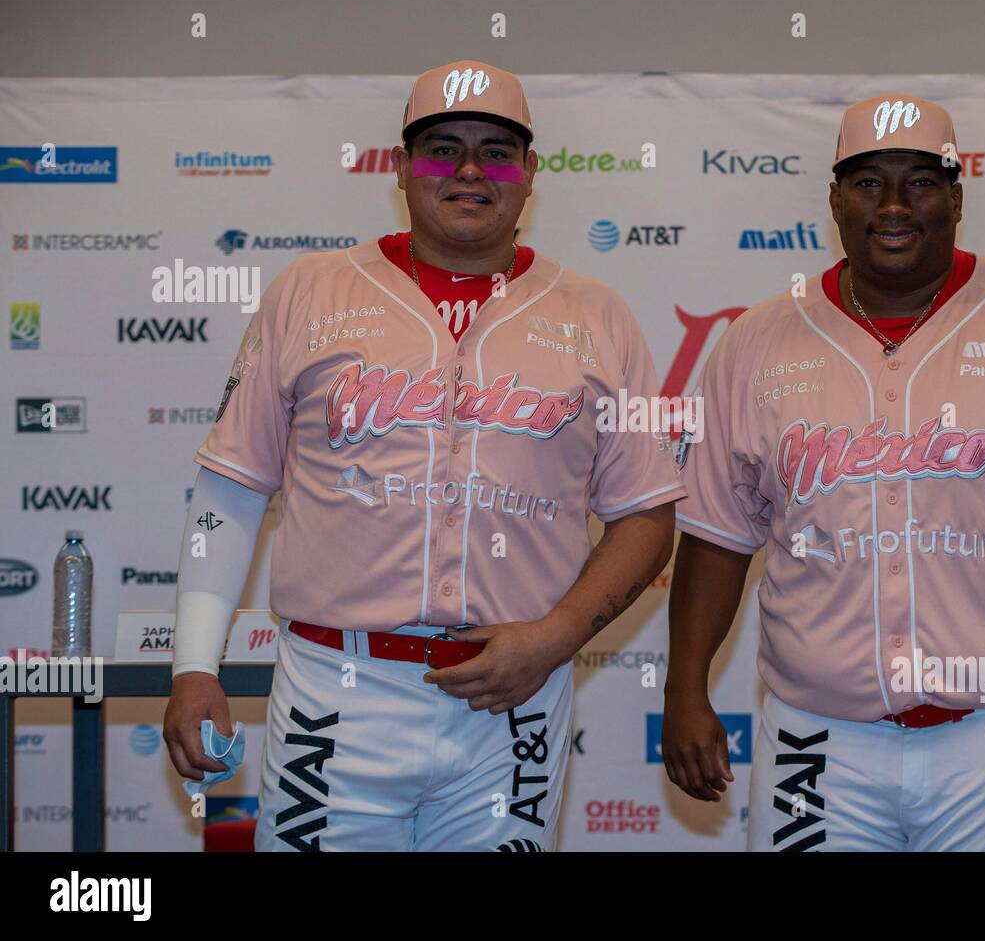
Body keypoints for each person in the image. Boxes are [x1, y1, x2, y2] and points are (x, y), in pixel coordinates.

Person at [163, 60, 685, 851]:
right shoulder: (310, 290)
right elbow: (229, 488)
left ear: (531, 174)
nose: (471, 170)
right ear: (402, 168)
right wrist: (194, 665)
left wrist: (558, 636)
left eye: (497, 151)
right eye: (443, 148)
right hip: (338, 691)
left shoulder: (597, 315)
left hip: (515, 696)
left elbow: (646, 512)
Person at [664, 94, 985, 852]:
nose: (896, 205)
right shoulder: (757, 343)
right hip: (819, 736)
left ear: (958, 196)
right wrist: (683, 689)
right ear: (835, 199)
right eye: (869, 182)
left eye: (923, 181)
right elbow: (716, 535)